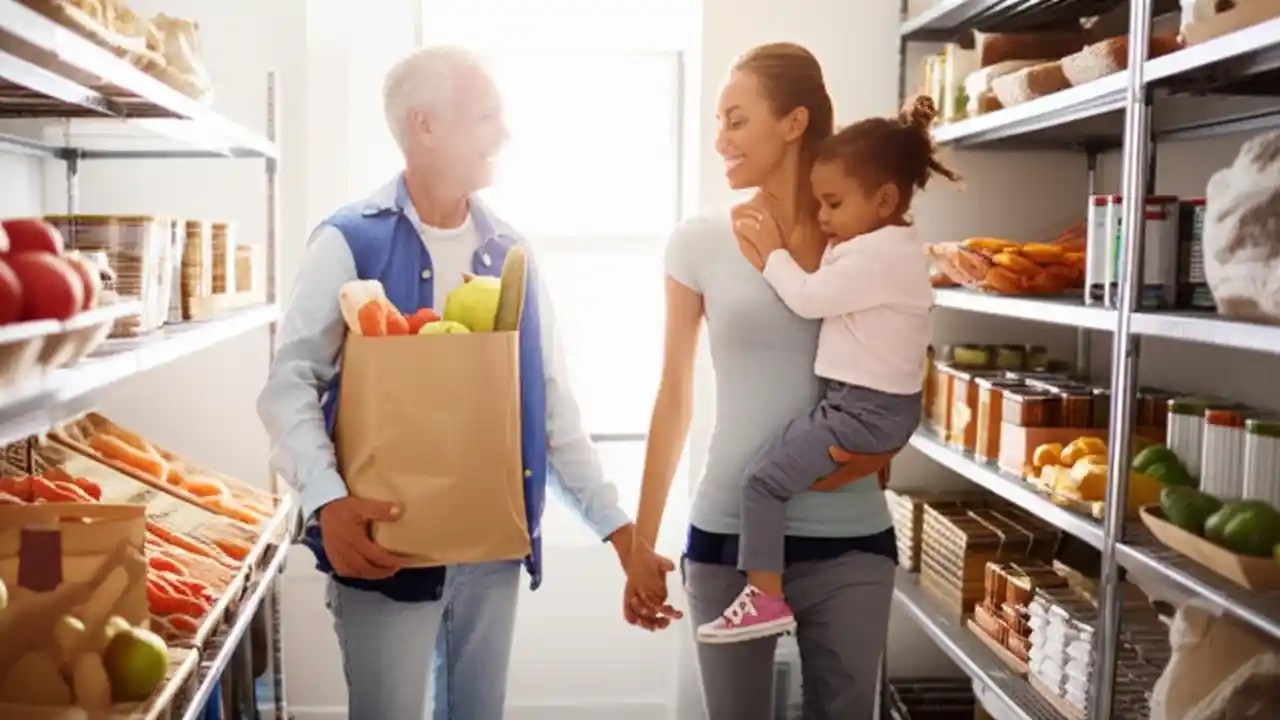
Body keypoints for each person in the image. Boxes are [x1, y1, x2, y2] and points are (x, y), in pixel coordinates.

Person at [258, 46, 636, 720]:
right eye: (486, 115)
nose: (504, 133)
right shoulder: (349, 243)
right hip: (383, 546)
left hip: (490, 551)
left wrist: (618, 529)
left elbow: (549, 409)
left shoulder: (511, 255)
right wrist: (328, 501)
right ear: (425, 125)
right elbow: (288, 385)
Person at [624, 42, 904, 720]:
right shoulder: (697, 241)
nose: (719, 139)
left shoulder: (868, 238)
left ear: (794, 122)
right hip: (727, 536)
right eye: (719, 121)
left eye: (736, 119)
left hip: (851, 540)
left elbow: (902, 360)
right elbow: (674, 394)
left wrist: (890, 450)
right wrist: (640, 544)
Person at [697, 95, 956, 644]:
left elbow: (809, 298)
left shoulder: (875, 256)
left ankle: (765, 597)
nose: (823, 218)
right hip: (875, 404)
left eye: (833, 204)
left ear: (884, 199)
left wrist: (771, 252)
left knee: (762, 483)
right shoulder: (894, 248)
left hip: (864, 407)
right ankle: (765, 593)